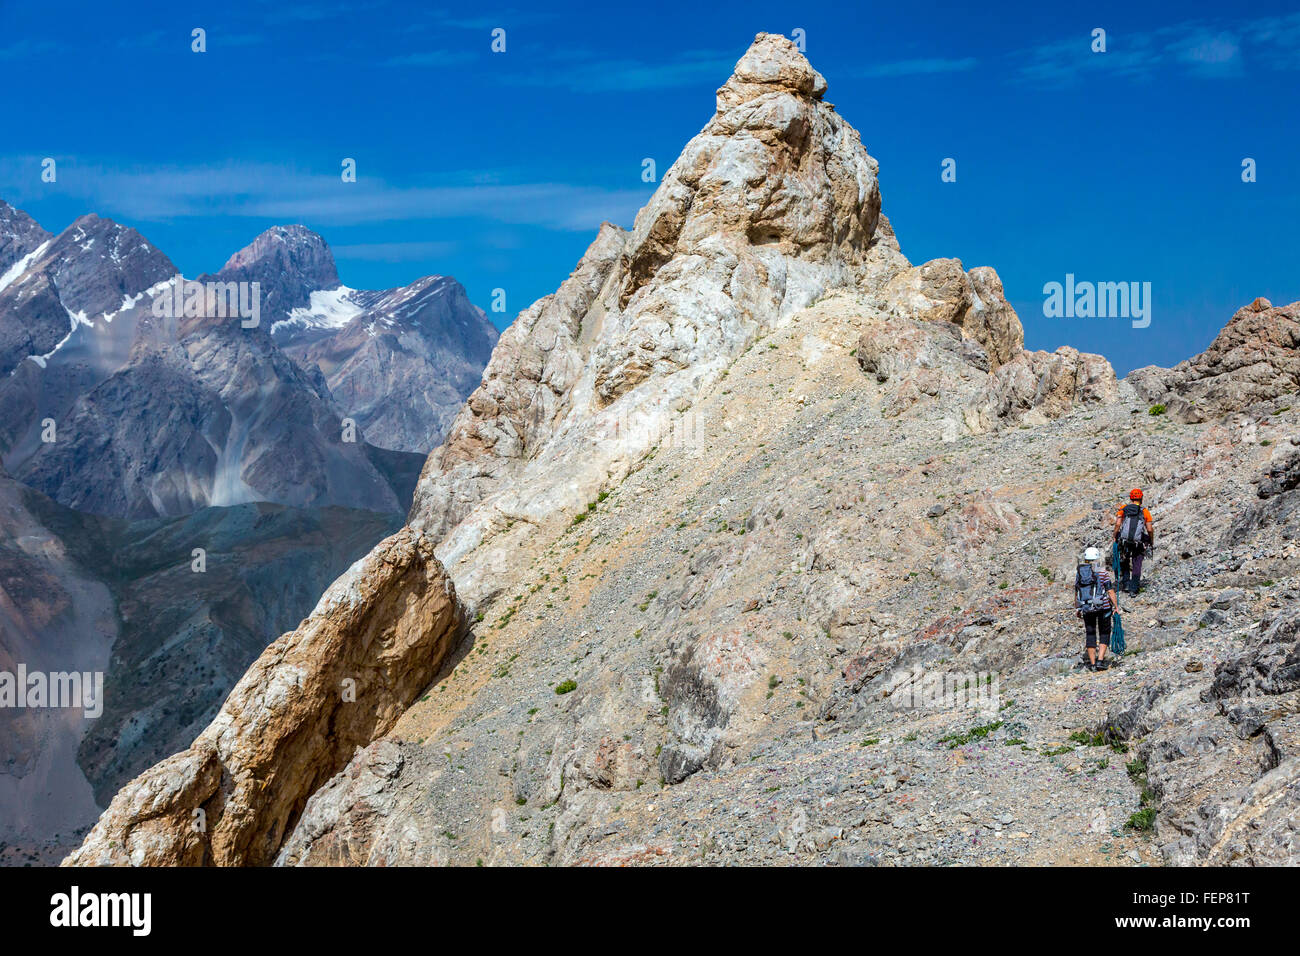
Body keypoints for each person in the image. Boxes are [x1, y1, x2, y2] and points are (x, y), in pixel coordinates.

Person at [1075, 546, 1119, 671]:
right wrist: (1116, 606)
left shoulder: (1080, 574)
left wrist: (1078, 608)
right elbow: (1110, 591)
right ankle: (1100, 661)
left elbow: (1077, 592)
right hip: (1103, 607)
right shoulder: (1103, 573)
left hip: (1087, 607)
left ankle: (1092, 664)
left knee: (1090, 633)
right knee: (1104, 632)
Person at [1113, 488, 1154, 595]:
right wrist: (1151, 540)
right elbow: (1149, 529)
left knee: (1124, 560)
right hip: (1138, 541)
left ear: (1131, 498)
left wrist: (1115, 535)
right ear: (1141, 498)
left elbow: (1118, 524)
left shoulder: (1123, 508)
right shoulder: (1144, 511)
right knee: (1137, 563)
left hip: (1124, 540)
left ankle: (1126, 583)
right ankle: (1134, 588)